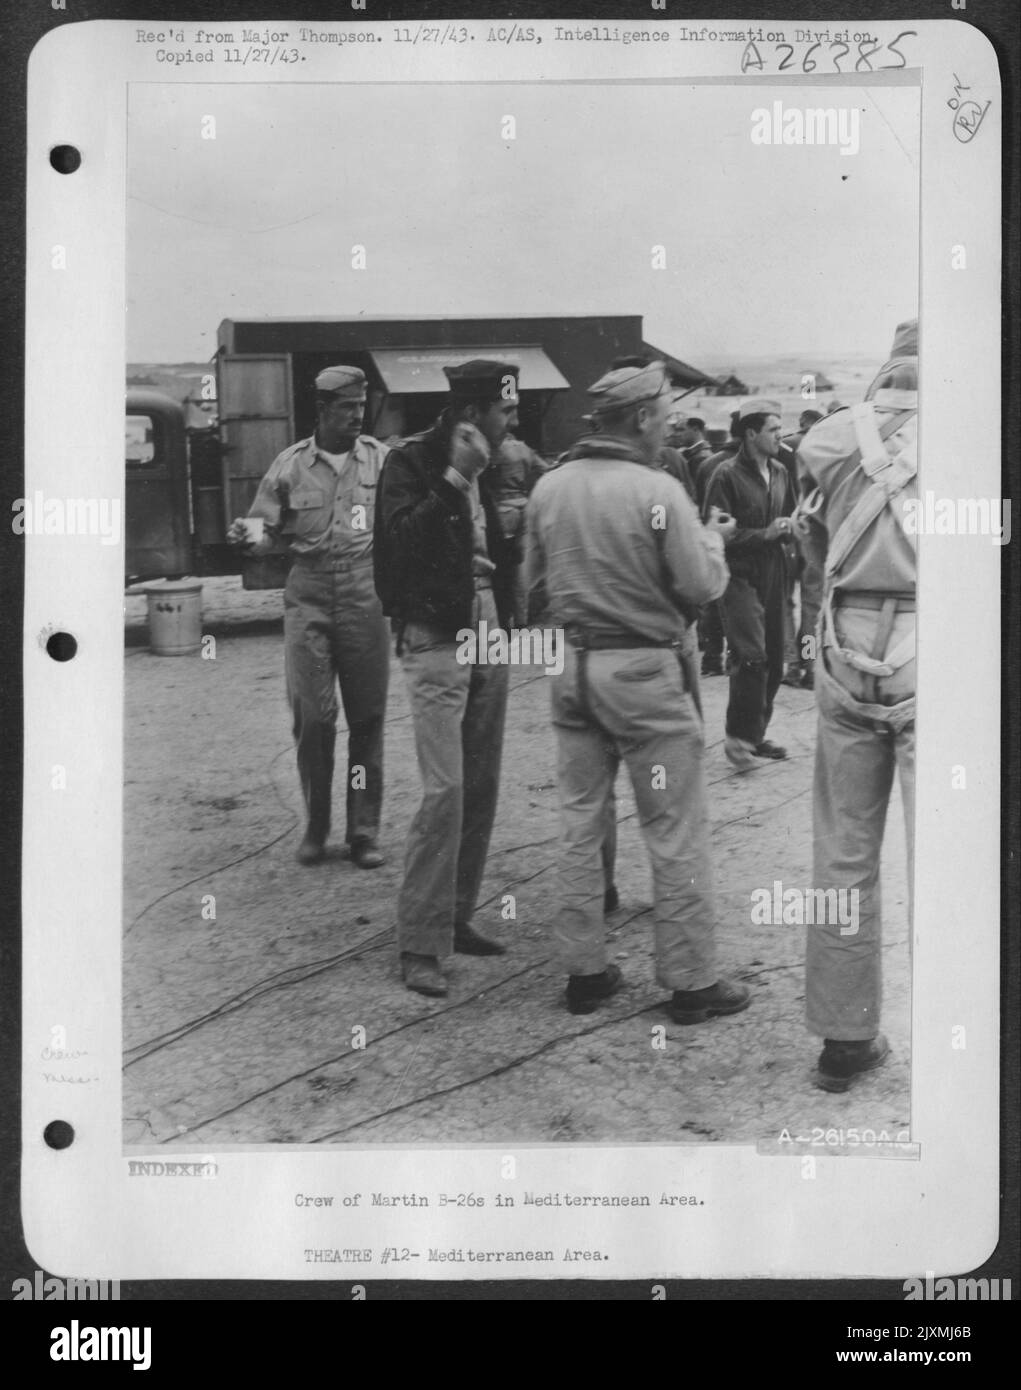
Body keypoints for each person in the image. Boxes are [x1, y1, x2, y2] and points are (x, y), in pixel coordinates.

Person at [524, 360, 751, 1024]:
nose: (668, 427)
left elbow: (530, 590)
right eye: (662, 416)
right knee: (673, 826)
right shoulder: (656, 490)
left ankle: (584, 973)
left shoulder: (550, 487)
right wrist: (714, 540)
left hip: (573, 669)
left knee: (578, 822)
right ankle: (689, 983)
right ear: (643, 419)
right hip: (643, 676)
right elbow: (700, 586)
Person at [795, 319, 918, 1091]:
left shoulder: (834, 438)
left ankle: (843, 1040)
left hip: (845, 643)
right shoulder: (977, 427)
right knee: (945, 853)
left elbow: (810, 541)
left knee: (842, 852)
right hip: (929, 634)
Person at [374, 360, 519, 998]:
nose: (512, 421)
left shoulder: (491, 463)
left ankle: (456, 916)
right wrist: (455, 478)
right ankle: (420, 943)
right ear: (474, 413)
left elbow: (492, 548)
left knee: (481, 780)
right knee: (446, 789)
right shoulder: (409, 463)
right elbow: (398, 547)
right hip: (434, 632)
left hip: (483, 621)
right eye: (505, 410)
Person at [228, 366, 390, 869]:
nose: (356, 417)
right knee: (314, 719)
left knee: (367, 720)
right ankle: (317, 826)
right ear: (322, 410)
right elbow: (263, 530)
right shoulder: (289, 466)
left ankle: (363, 832)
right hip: (310, 590)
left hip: (366, 591)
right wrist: (249, 535)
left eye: (361, 409)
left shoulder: (382, 461)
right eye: (347, 409)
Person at [704, 398, 797, 771]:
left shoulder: (780, 472)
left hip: (774, 569)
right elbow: (718, 535)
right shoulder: (724, 475)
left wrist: (792, 528)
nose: (780, 435)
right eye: (773, 429)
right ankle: (738, 739)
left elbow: (787, 515)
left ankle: (755, 735)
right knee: (751, 655)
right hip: (739, 574)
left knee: (775, 659)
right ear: (751, 433)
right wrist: (766, 533)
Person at [488, 433, 547, 625]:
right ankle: (521, 619)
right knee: (521, 567)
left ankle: (504, 620)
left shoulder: (494, 449)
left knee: (501, 567)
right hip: (524, 506)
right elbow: (545, 469)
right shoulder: (523, 448)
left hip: (503, 510)